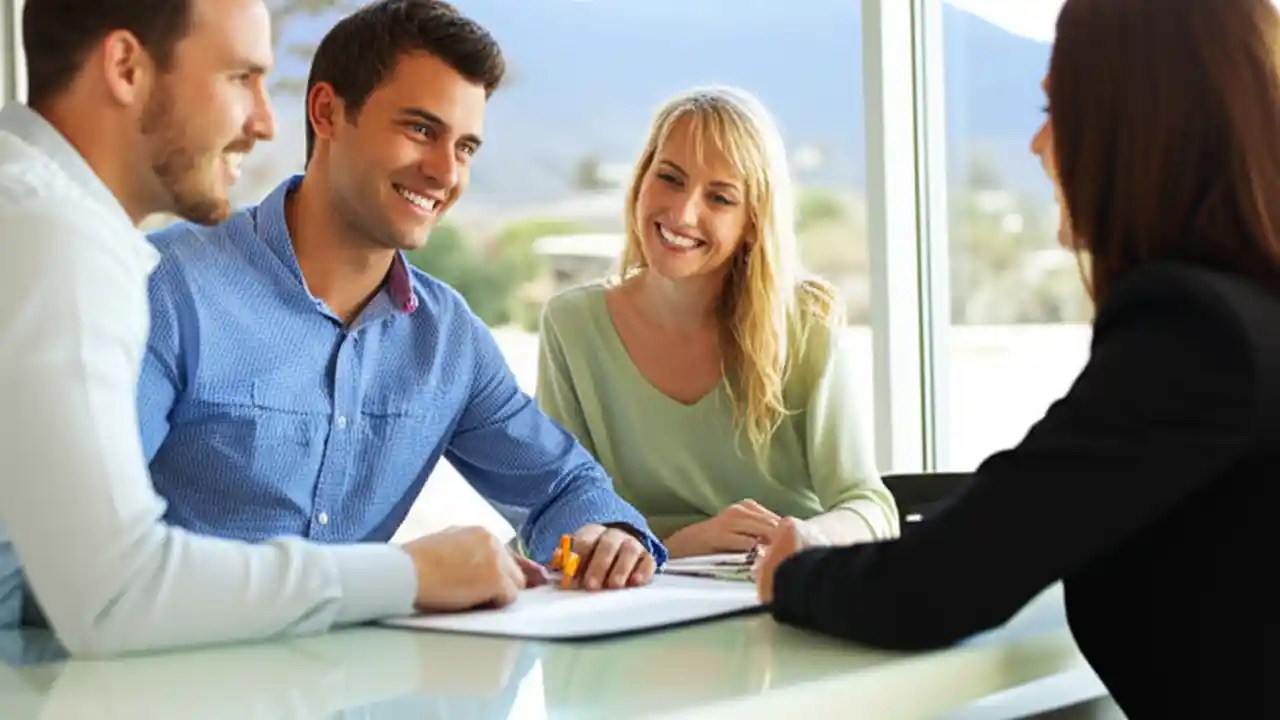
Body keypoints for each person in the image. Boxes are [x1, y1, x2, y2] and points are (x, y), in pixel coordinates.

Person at [756, 0, 1280, 715]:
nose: (1038, 144)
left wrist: (792, 575)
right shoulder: (1247, 314)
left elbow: (939, 587)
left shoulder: (1198, 331)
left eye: (1055, 107)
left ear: (1135, 125)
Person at [0, 0, 525, 659]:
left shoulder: (33, 212)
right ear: (126, 67)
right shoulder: (49, 236)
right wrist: (413, 575)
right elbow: (112, 596)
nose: (265, 121)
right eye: (238, 78)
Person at [137, 0, 664, 592]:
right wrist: (403, 575)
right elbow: (100, 553)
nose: (445, 172)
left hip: (351, 680)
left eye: (465, 147)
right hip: (161, 674)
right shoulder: (166, 288)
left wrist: (605, 536)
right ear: (327, 113)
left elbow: (564, 487)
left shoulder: (446, 341)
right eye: (421, 130)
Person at [536, 86, 897, 559]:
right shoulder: (572, 327)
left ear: (753, 220)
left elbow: (868, 506)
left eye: (721, 198)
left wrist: (807, 539)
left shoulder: (807, 324)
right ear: (641, 180)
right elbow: (555, 522)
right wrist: (685, 545)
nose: (684, 213)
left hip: (775, 598)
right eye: (669, 177)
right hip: (634, 608)